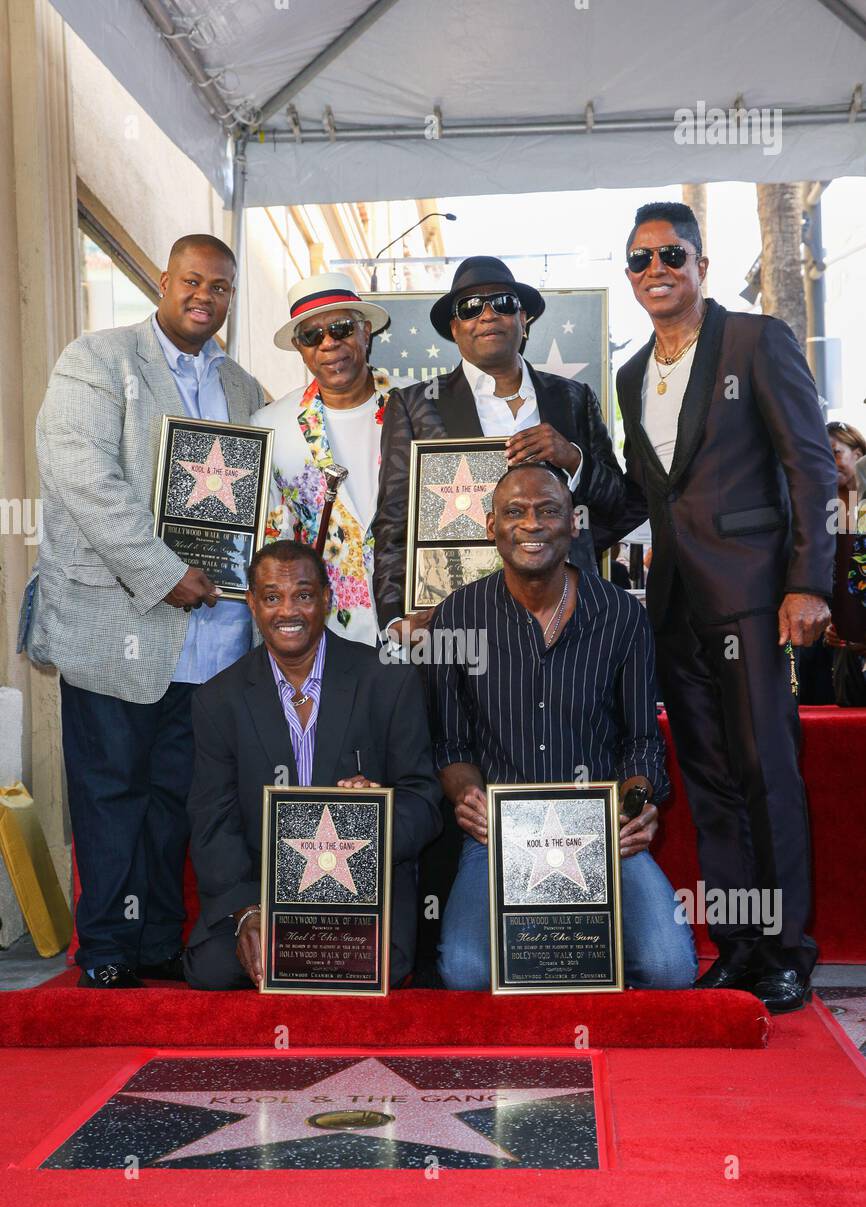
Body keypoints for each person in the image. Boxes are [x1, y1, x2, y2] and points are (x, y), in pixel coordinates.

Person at [578, 201, 838, 1012]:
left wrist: (811, 582)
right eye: (639, 259)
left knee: (769, 775)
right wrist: (571, 474)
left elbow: (810, 468)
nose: (655, 270)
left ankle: (789, 949)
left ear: (701, 265)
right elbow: (640, 497)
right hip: (674, 608)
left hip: (757, 599)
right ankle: (739, 946)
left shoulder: (757, 342)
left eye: (671, 255)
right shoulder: (629, 376)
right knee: (712, 782)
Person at [25, 234, 265, 988]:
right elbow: (83, 478)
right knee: (109, 792)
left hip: (212, 641)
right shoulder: (96, 361)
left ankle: (158, 938)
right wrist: (164, 573)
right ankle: (104, 947)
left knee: (173, 800)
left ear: (231, 297)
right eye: (191, 281)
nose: (205, 296)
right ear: (164, 282)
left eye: (220, 287)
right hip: (115, 626)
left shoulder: (247, 390)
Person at [428, 462, 696, 992]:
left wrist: (637, 805)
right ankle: (569, 946)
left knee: (669, 969)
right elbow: (450, 744)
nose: (532, 524)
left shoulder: (620, 614)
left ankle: (583, 943)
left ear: (574, 522)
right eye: (515, 512)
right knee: (466, 973)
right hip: (499, 834)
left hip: (600, 830)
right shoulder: (456, 616)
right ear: (490, 527)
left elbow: (642, 740)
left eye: (548, 510)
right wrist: (468, 798)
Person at [183, 541, 442, 991]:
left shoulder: (388, 681)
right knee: (212, 970)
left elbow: (424, 801)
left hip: (364, 891)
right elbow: (212, 821)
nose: (289, 611)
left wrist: (373, 816)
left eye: (303, 595)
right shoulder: (217, 701)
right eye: (271, 597)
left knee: (378, 966)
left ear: (327, 597)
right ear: (251, 602)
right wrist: (247, 911)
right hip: (266, 894)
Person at [372, 255, 625, 643]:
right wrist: (394, 618)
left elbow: (618, 503)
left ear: (523, 319)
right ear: (454, 328)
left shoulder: (573, 398)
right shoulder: (414, 404)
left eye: (502, 303)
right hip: (462, 615)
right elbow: (394, 522)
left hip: (569, 615)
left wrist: (572, 459)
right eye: (471, 307)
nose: (488, 315)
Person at [254, 273, 390, 647]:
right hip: (326, 629)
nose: (329, 343)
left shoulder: (416, 411)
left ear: (365, 332)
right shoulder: (269, 424)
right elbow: (270, 536)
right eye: (313, 336)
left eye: (341, 328)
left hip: (416, 622)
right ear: (300, 347)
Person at [824, 421, 866, 705]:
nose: (830, 462)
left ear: (858, 453)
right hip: (842, 647)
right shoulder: (828, 507)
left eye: (836, 453)